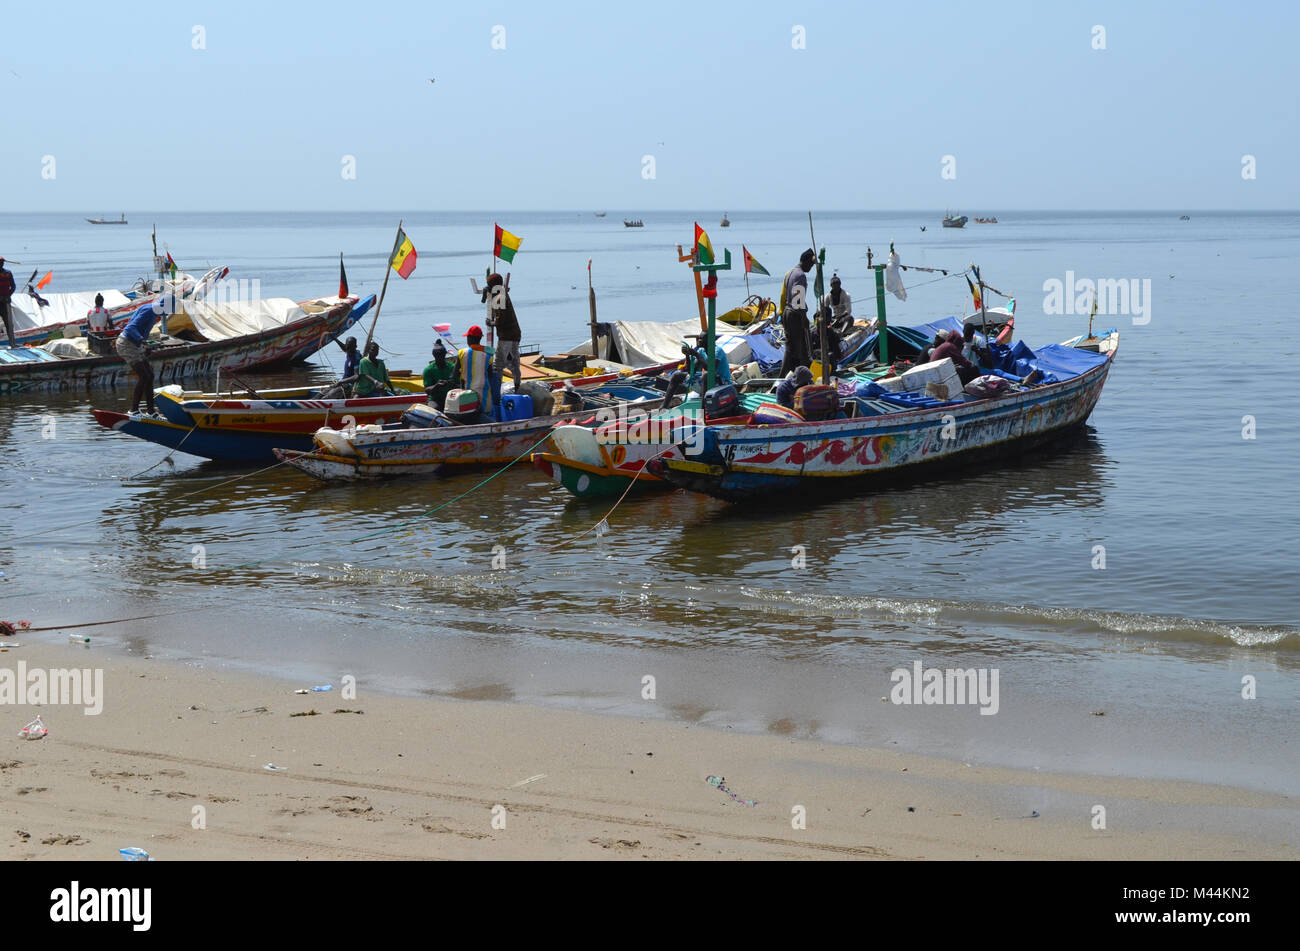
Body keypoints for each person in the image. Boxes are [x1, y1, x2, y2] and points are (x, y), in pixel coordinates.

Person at [115, 295, 172, 415]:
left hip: (134, 344)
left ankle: (151, 410)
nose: (166, 314)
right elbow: (130, 329)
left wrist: (145, 345)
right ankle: (133, 410)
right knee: (144, 376)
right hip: (126, 344)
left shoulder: (152, 309)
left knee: (150, 375)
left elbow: (137, 326)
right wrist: (142, 341)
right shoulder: (150, 310)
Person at [778, 249, 816, 377]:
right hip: (795, 315)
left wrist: (781, 314)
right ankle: (801, 378)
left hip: (788, 313)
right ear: (805, 261)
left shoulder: (790, 273)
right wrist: (804, 317)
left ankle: (786, 377)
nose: (810, 268)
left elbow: (783, 295)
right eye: (810, 265)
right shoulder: (800, 276)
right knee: (801, 349)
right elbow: (798, 300)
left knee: (791, 349)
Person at [482, 273, 522, 391]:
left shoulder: (499, 298)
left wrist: (491, 323)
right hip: (514, 334)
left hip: (506, 336)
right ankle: (517, 387)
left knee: (498, 365)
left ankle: (496, 391)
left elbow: (501, 320)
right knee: (513, 364)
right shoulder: (502, 294)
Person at [456, 324, 497, 417]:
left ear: (470, 338)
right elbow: (490, 375)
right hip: (485, 396)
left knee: (470, 416)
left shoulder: (462, 352)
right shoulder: (488, 352)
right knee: (487, 416)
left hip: (467, 397)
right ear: (480, 338)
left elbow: (454, 374)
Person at [422, 339, 460, 409]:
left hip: (451, 398)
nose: (440, 358)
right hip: (435, 400)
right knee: (433, 408)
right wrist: (437, 386)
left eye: (441, 356)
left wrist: (452, 384)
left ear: (445, 354)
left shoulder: (452, 367)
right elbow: (427, 391)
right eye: (437, 356)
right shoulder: (428, 370)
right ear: (434, 356)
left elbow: (460, 386)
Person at [0, 257, 15, 346]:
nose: (1, 264)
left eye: (2, 263)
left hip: (5, 302)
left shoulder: (8, 273)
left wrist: (8, 295)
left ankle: (12, 343)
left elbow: (13, 286)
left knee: (8, 323)